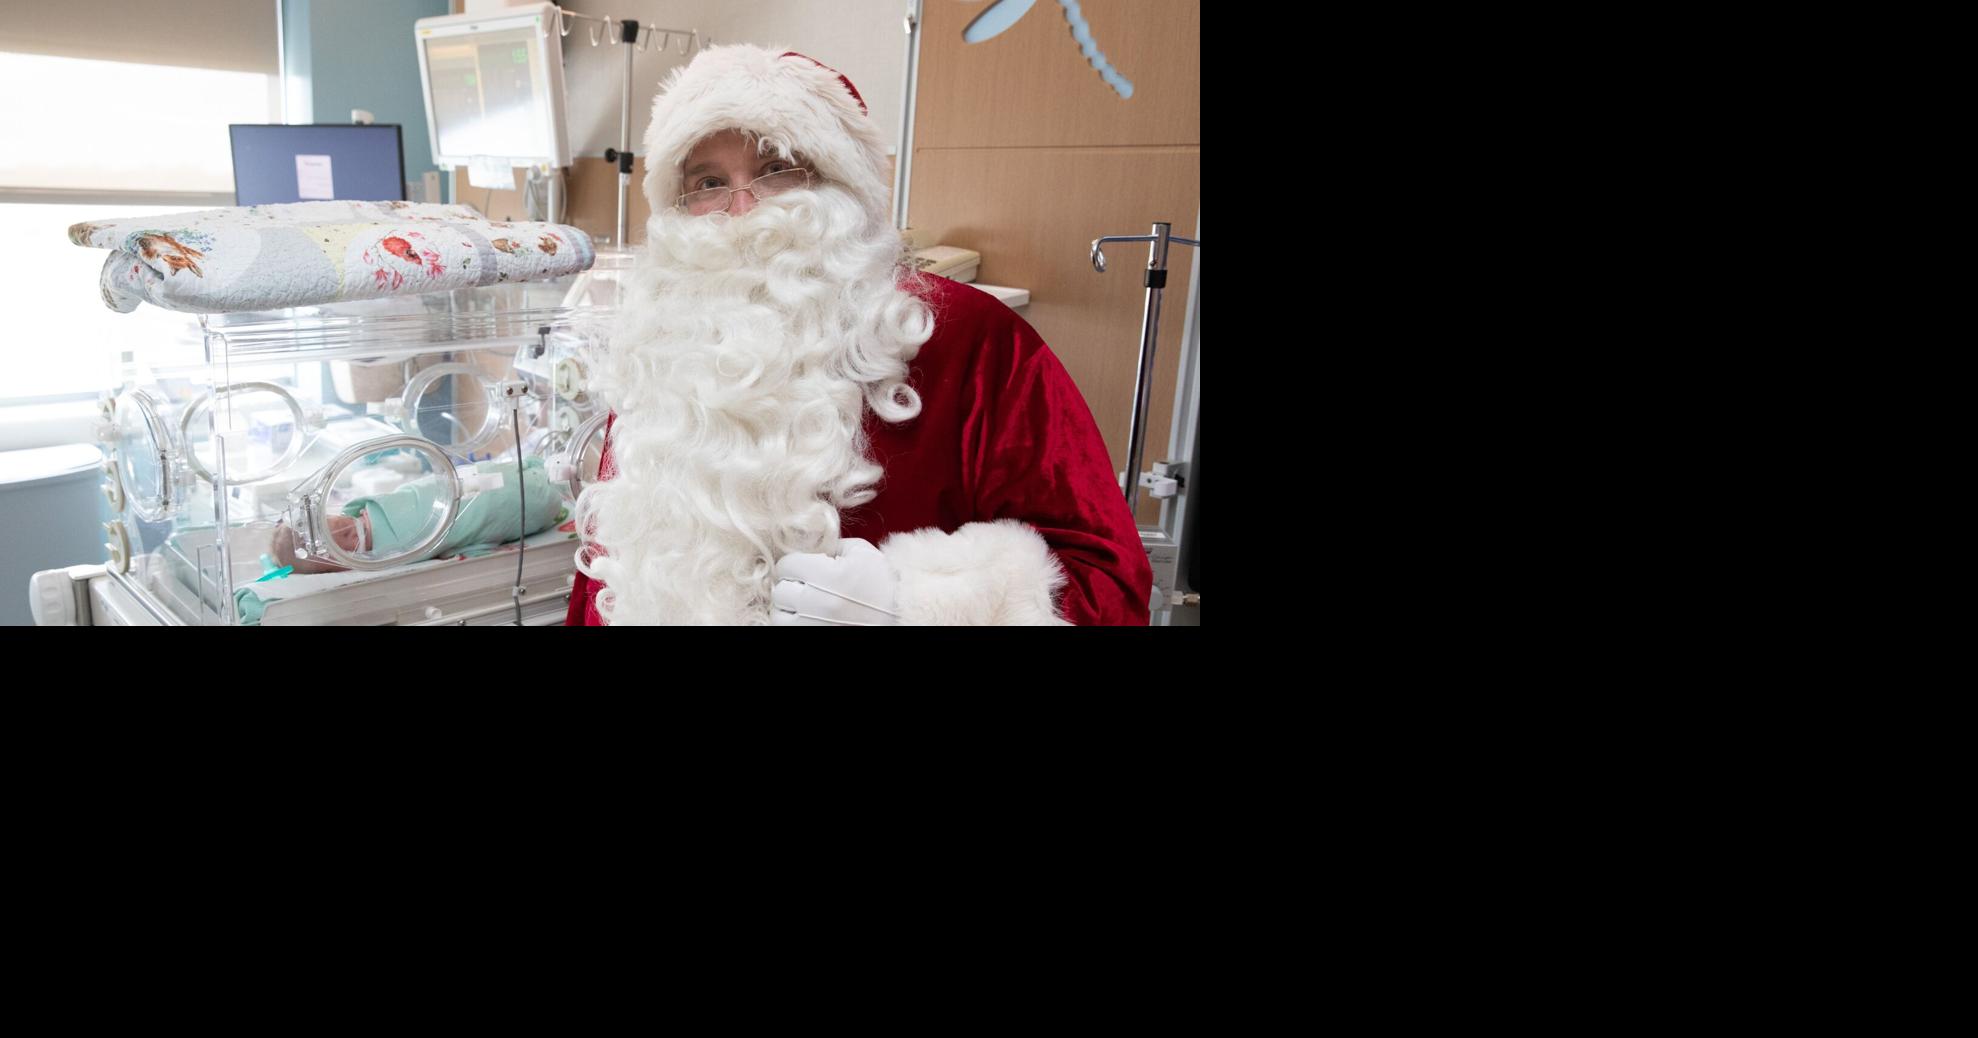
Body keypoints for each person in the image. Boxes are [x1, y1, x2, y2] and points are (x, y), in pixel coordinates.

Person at [567, 44, 1150, 626]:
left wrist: (914, 604)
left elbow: (1110, 581)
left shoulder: (970, 339)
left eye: (777, 169)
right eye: (708, 182)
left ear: (844, 186)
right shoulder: (664, 351)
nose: (744, 209)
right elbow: (605, 583)